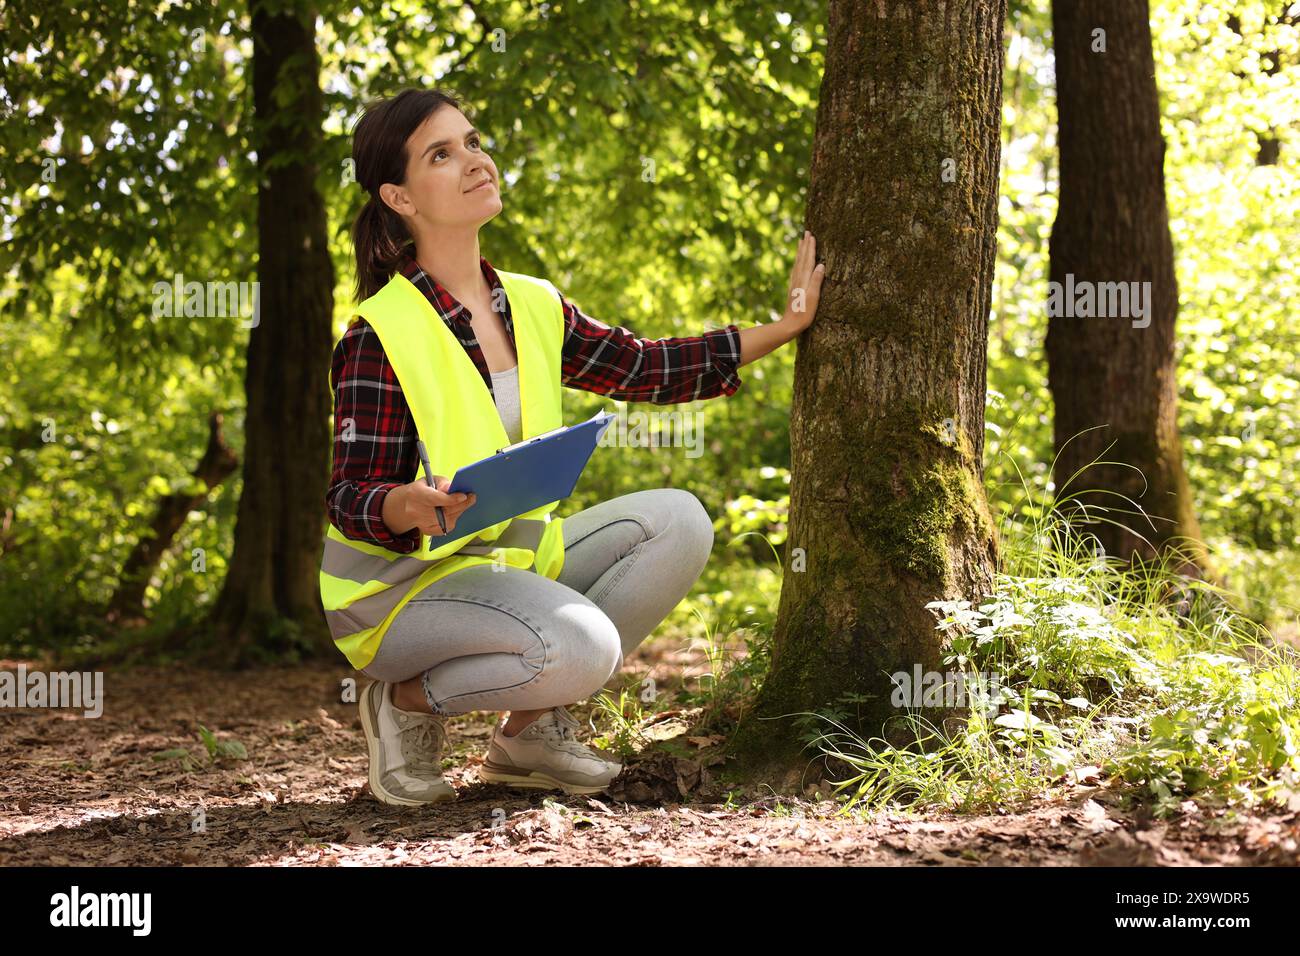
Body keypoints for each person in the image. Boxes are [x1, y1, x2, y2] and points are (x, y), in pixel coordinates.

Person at [324, 87, 824, 806]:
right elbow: (348, 498)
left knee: (680, 520)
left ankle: (525, 733)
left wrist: (782, 328)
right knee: (585, 648)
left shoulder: (529, 303)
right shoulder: (379, 331)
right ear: (399, 197)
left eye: (472, 140)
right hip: (398, 597)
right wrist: (406, 503)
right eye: (442, 154)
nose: (474, 160)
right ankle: (401, 703)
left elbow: (644, 366)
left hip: (506, 567)